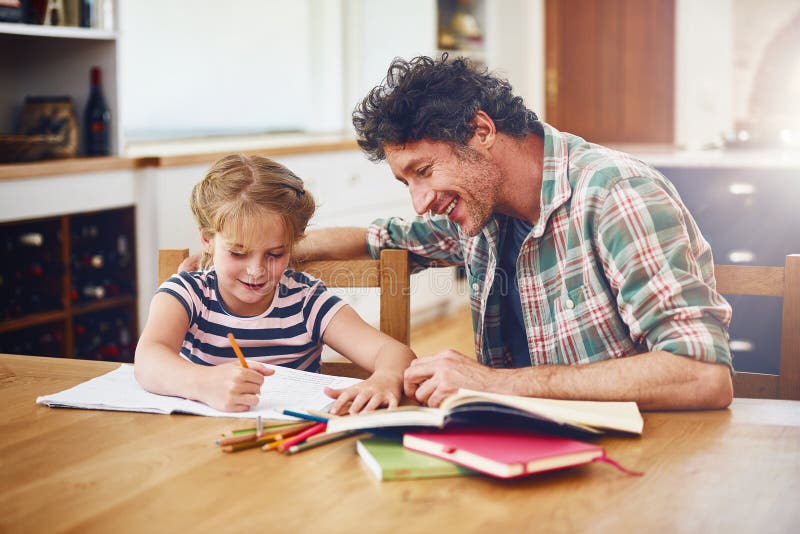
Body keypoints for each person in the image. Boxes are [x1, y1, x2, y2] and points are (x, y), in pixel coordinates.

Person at [293, 55, 735, 411]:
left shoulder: (616, 194)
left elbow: (701, 374)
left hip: (635, 467)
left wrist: (491, 384)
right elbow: (384, 238)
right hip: (521, 446)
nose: (420, 200)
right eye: (407, 182)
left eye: (424, 171)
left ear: (482, 131)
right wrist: (277, 248)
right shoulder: (483, 211)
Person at [135, 154, 415, 415]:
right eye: (238, 253)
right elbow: (148, 358)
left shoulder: (306, 301)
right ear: (207, 240)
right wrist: (202, 383)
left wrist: (385, 378)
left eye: (275, 254)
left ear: (292, 247)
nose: (257, 271)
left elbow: (393, 352)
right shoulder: (187, 293)